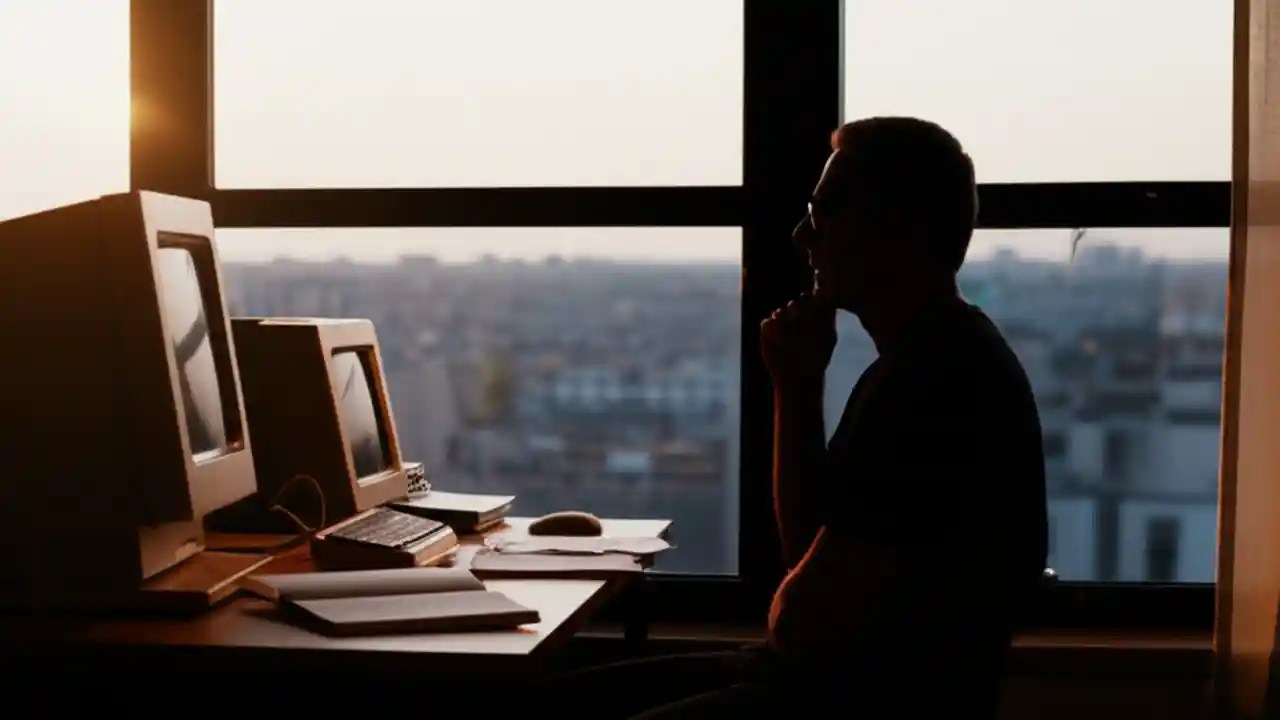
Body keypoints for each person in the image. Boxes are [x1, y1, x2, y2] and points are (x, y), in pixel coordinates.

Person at [527, 117, 1048, 718]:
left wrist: (797, 389)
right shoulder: (935, 361)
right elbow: (810, 560)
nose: (804, 236)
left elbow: (802, 626)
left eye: (827, 213)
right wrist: (796, 391)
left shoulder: (931, 387)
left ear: (896, 231)